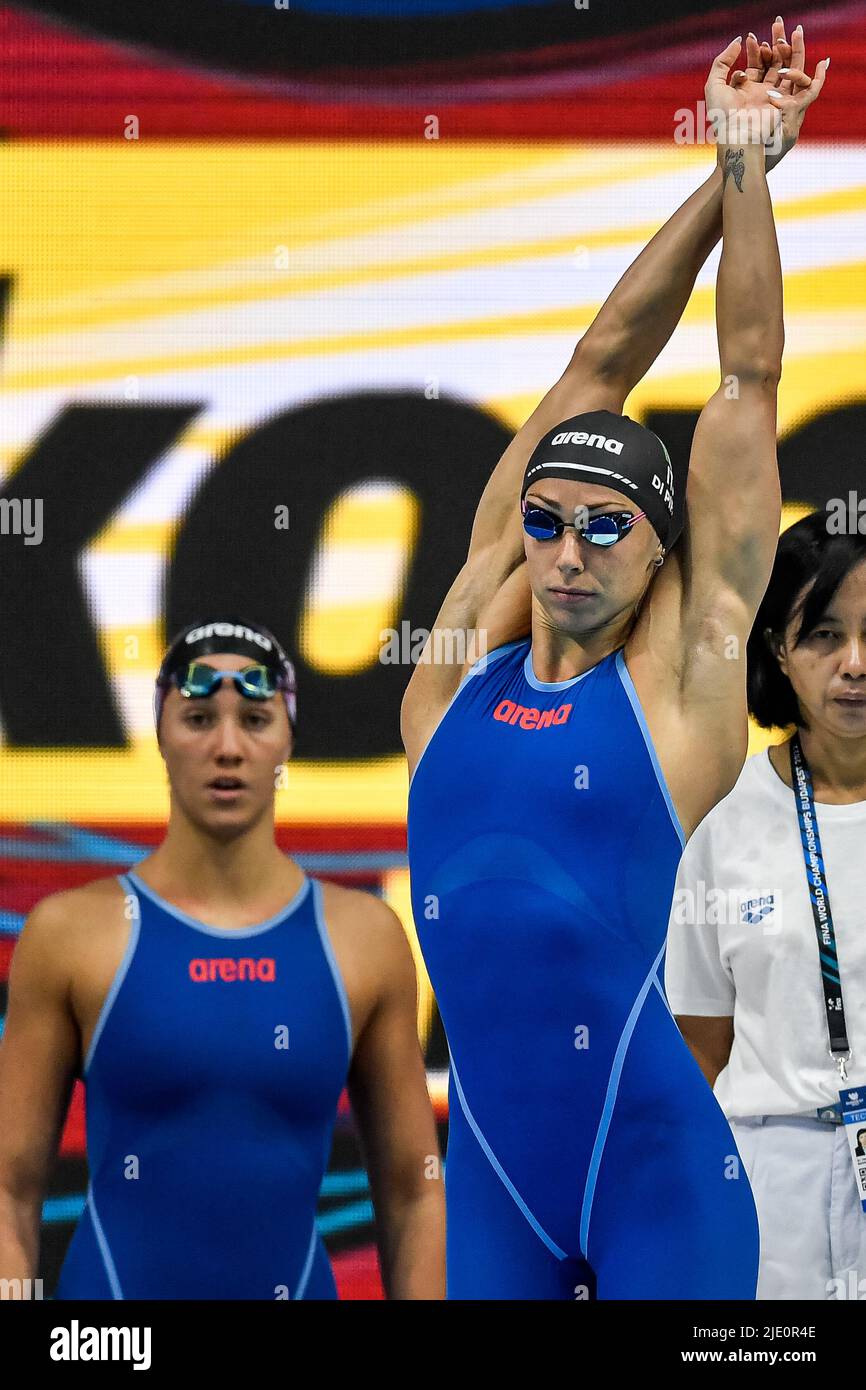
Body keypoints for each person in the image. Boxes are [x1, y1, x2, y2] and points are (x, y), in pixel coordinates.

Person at [402, 21, 828, 1299]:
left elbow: (743, 377)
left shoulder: (682, 687)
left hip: (657, 1181)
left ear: (661, 559)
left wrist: (748, 167)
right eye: (542, 522)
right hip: (487, 1180)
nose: (564, 551)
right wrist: (708, 175)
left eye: (604, 530)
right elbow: (596, 364)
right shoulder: (452, 676)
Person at [0, 617, 444, 1299]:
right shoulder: (73, 934)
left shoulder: (361, 939)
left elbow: (414, 1191)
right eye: (200, 717)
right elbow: (10, 1185)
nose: (228, 747)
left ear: (288, 741)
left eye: (256, 719)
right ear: (161, 734)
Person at [665, 515, 866, 1300]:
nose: (855, 665)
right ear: (777, 648)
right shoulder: (723, 813)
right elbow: (699, 1046)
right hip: (764, 1189)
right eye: (823, 635)